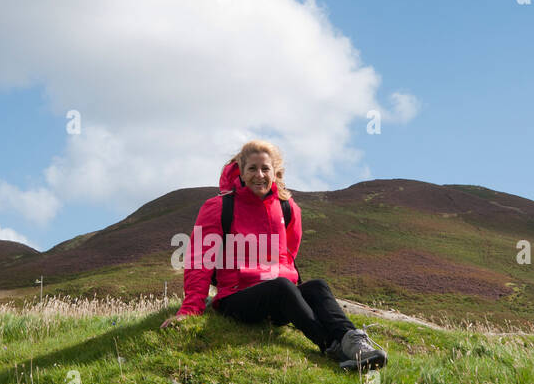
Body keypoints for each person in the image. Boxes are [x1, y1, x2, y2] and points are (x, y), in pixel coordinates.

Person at [160, 140, 387, 371]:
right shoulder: (219, 207)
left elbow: (288, 252)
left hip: (280, 299)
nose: (259, 175)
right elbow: (200, 261)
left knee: (317, 286)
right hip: (236, 299)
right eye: (252, 169)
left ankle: (356, 344)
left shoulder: (288, 208)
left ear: (275, 171)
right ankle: (332, 346)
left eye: (265, 169)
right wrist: (190, 309)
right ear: (241, 170)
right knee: (281, 286)